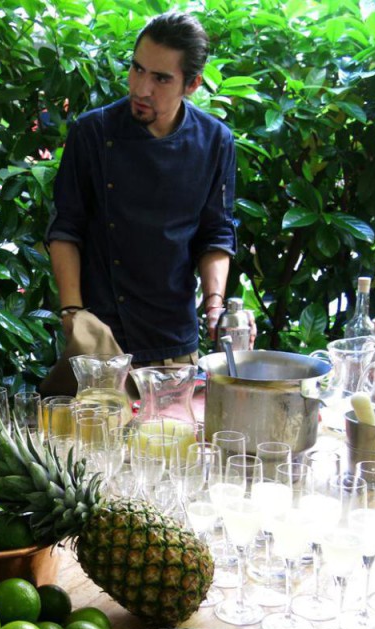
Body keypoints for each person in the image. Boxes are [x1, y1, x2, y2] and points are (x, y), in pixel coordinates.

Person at [46, 11, 238, 366]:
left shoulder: (215, 141)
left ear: (192, 84)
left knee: (175, 425)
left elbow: (216, 233)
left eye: (161, 78)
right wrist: (72, 315)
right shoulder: (93, 132)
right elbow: (65, 228)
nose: (141, 89)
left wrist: (214, 304)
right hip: (100, 338)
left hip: (175, 343)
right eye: (137, 69)